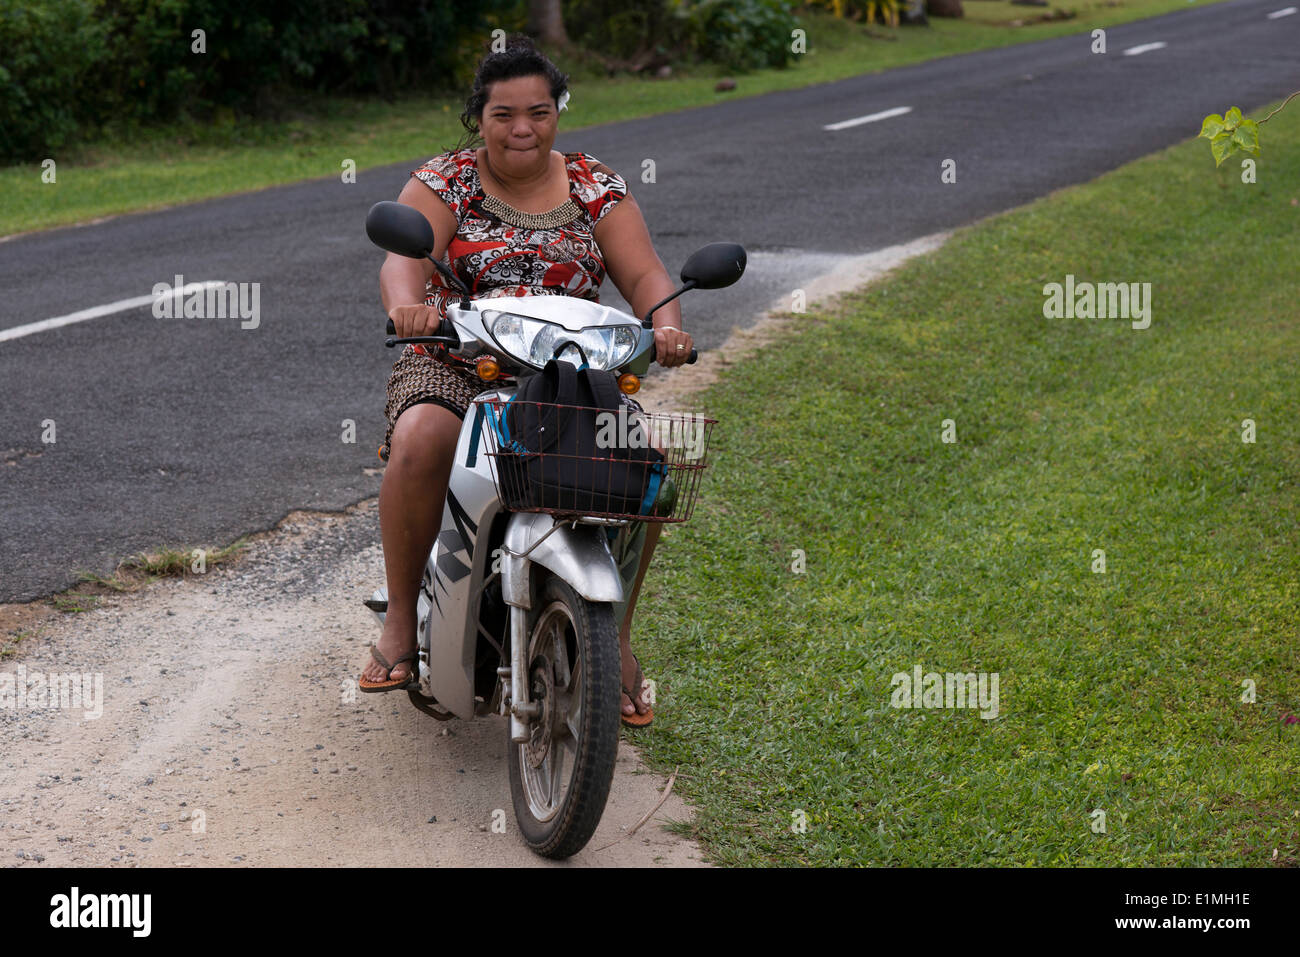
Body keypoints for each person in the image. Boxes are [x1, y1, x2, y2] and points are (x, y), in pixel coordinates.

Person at [358, 34, 694, 728]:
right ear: (477, 117)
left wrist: (665, 322)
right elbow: (402, 256)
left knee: (643, 467)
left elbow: (645, 274)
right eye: (504, 114)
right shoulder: (446, 179)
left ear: (557, 114)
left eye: (538, 113)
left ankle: (617, 638)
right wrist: (408, 306)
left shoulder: (597, 185)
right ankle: (398, 623)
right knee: (422, 438)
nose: (521, 129)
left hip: (572, 372)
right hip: (456, 358)